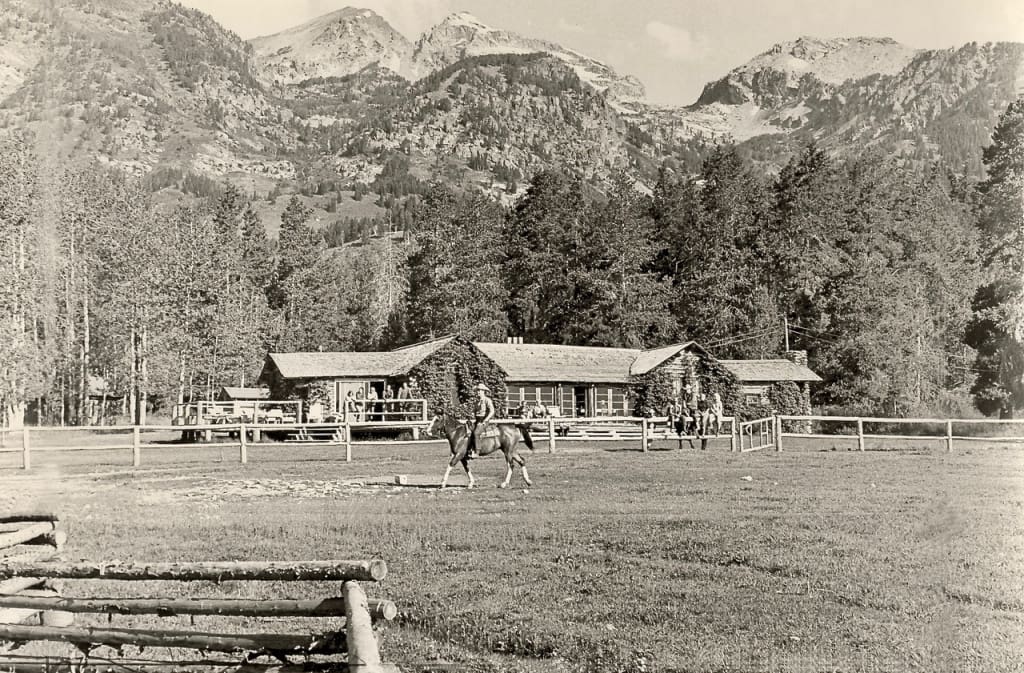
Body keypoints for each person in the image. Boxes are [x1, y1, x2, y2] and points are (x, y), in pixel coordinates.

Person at [466, 382, 495, 459]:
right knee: (469, 431)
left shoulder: (487, 400)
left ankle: (477, 451)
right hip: (477, 420)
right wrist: (471, 415)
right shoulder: (477, 401)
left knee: (476, 433)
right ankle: (470, 449)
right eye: (477, 390)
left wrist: (485, 420)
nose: (478, 392)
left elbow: (492, 411)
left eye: (480, 391)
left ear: (483, 391)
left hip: (484, 420)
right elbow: (474, 411)